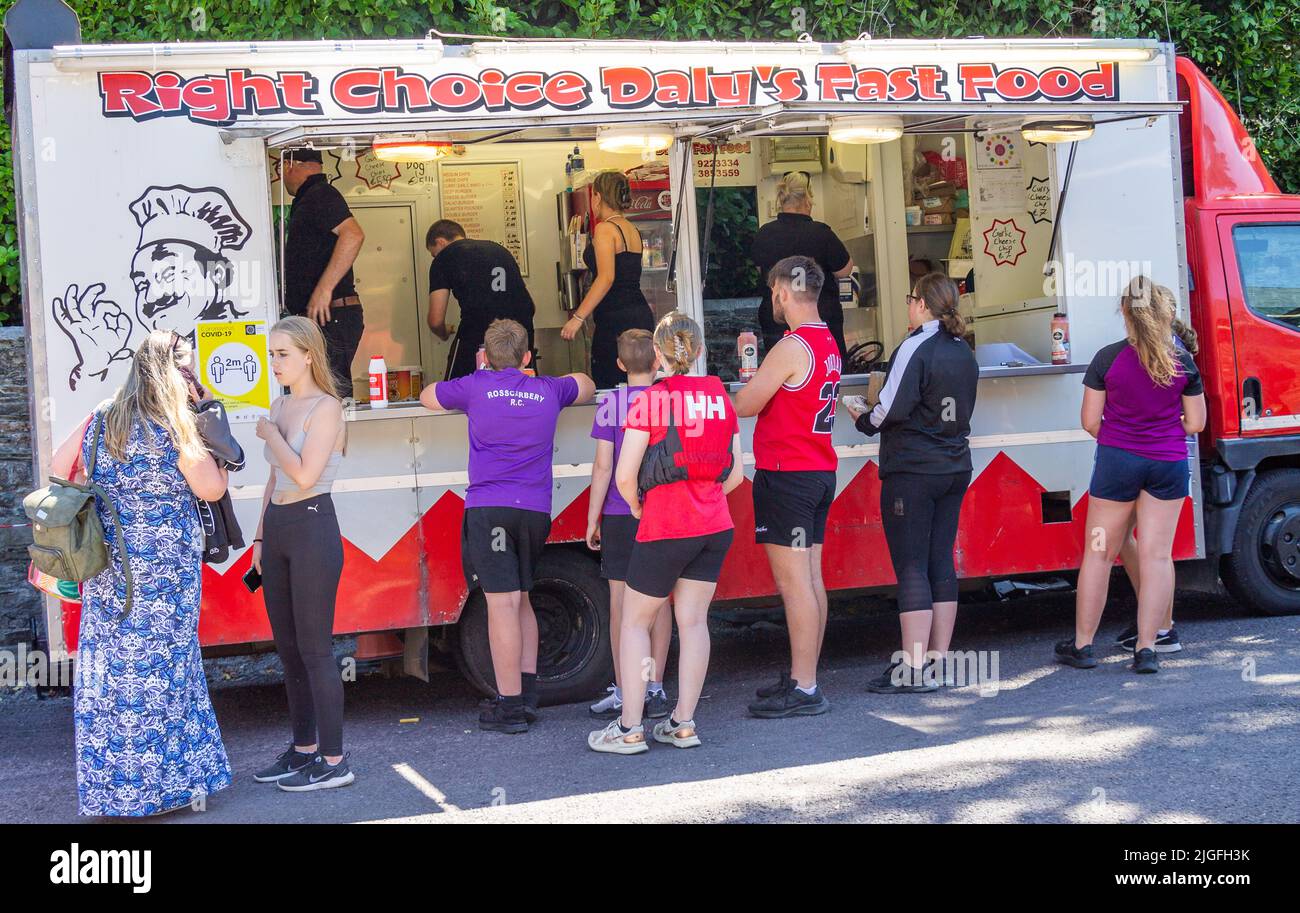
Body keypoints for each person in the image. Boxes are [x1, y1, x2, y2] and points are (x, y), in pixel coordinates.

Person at [50, 330, 232, 816]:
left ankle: (112, 791)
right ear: (174, 374)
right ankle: (164, 789)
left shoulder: (101, 421)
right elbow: (211, 489)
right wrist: (218, 440)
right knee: (167, 674)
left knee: (111, 679)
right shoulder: (172, 426)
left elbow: (56, 464)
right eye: (186, 369)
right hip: (164, 575)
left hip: (108, 571)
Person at [421, 319, 596, 732]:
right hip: (534, 511)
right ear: (528, 358)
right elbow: (586, 383)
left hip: (490, 509)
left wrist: (481, 373)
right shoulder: (549, 389)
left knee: (501, 605)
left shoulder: (475, 386)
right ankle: (528, 694)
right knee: (522, 599)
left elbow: (429, 396)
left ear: (485, 355)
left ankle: (510, 707)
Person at [588, 312, 745, 754]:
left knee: (635, 623)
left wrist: (638, 506)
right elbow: (735, 474)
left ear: (658, 355)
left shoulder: (650, 401)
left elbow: (623, 475)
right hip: (714, 526)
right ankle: (683, 724)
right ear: (697, 351)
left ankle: (630, 728)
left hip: (664, 526)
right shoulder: (718, 395)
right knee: (694, 622)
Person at [1056, 278, 1206, 674]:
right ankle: (1147, 648)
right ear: (1161, 314)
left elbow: (1090, 421)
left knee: (1099, 552)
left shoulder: (1107, 358)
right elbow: (1196, 423)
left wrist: (1124, 438)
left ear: (1125, 313)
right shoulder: (1183, 363)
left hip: (1117, 466)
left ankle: (1084, 645)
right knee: (1157, 555)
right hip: (1167, 466)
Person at [845, 273, 979, 693]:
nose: (908, 306)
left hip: (913, 470)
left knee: (911, 566)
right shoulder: (964, 349)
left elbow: (890, 408)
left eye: (910, 299)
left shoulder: (914, 346)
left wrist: (862, 418)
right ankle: (938, 660)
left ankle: (913, 668)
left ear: (922, 304)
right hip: (955, 466)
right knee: (941, 561)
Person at [735, 255, 841, 718]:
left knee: (794, 584)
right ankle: (805, 674)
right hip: (817, 472)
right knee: (812, 579)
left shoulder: (790, 346)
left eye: (772, 291)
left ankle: (805, 686)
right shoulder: (829, 341)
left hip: (788, 475)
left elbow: (746, 404)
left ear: (782, 290)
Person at [251, 316, 352, 790]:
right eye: (271, 354)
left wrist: (270, 436)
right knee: (289, 651)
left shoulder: (326, 407)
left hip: (313, 525)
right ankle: (304, 748)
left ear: (309, 355)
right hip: (280, 528)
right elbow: (276, 479)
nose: (274, 363)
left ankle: (334, 761)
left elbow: (306, 475)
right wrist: (259, 538)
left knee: (315, 650)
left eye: (283, 354)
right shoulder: (281, 404)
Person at [586, 329, 672, 720]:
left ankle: (625, 690)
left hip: (621, 514)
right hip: (662, 511)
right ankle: (654, 686)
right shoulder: (668, 399)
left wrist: (593, 517)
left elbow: (604, 466)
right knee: (660, 600)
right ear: (658, 359)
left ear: (619, 364)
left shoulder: (610, 403)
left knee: (622, 605)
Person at [1113, 311, 1200, 654]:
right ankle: (1158, 624)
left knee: (1141, 546)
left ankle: (1161, 626)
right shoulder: (1175, 352)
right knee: (1151, 550)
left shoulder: (1165, 354)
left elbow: (1192, 419)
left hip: (1154, 456)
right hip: (1169, 459)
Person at [559, 170, 655, 388]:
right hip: (639, 313)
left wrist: (579, 317)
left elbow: (606, 278)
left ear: (598, 197)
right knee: (640, 382)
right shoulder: (632, 229)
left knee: (610, 382)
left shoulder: (605, 229)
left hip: (615, 318)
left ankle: (617, 422)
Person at [282, 147, 366, 396]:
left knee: (329, 397)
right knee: (317, 395)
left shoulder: (320, 194)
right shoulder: (310, 197)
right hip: (321, 319)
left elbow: (353, 235)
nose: (282, 175)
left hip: (332, 316)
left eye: (281, 168)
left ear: (291, 165)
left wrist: (324, 288)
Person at [750, 172, 855, 357]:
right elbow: (844, 270)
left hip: (778, 319)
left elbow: (762, 270)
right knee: (825, 370)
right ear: (807, 200)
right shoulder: (822, 233)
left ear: (781, 200)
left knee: (781, 375)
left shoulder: (764, 234)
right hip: (821, 318)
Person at [425, 219, 536, 380]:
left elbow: (435, 320)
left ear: (440, 242)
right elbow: (529, 303)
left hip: (478, 336)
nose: (435, 257)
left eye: (434, 253)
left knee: (458, 390)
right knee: (519, 389)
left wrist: (443, 333)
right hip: (519, 335)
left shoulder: (444, 258)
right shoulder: (500, 250)